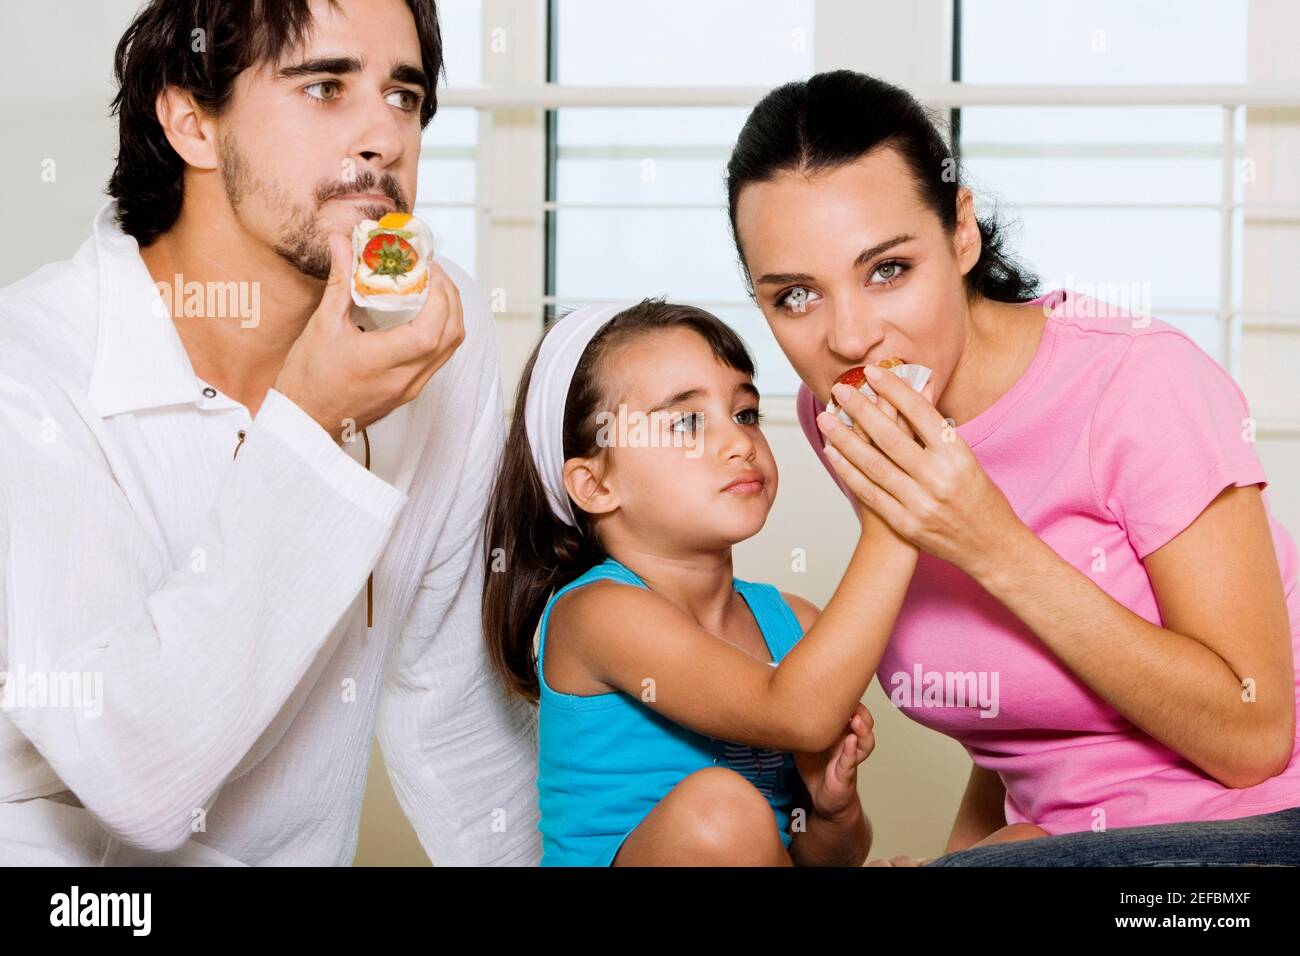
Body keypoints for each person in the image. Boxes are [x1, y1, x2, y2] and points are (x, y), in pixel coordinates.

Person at [0, 0, 538, 865]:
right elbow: (139, 779)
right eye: (325, 87)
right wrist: (310, 424)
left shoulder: (436, 328)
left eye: (403, 96)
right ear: (192, 123)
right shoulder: (29, 377)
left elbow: (456, 717)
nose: (383, 138)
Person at [725, 69, 1300, 865]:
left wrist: (989, 542)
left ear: (963, 233)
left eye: (887, 269)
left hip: (1250, 839)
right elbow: (1019, 727)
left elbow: (1255, 737)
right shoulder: (842, 416)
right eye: (795, 296)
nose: (850, 338)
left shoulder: (1138, 382)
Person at [481, 298, 943, 865]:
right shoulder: (597, 614)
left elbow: (826, 858)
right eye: (687, 422)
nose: (739, 442)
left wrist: (830, 810)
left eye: (745, 413)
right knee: (722, 812)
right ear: (595, 485)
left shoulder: (794, 626)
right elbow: (795, 714)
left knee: (1028, 843)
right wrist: (896, 524)